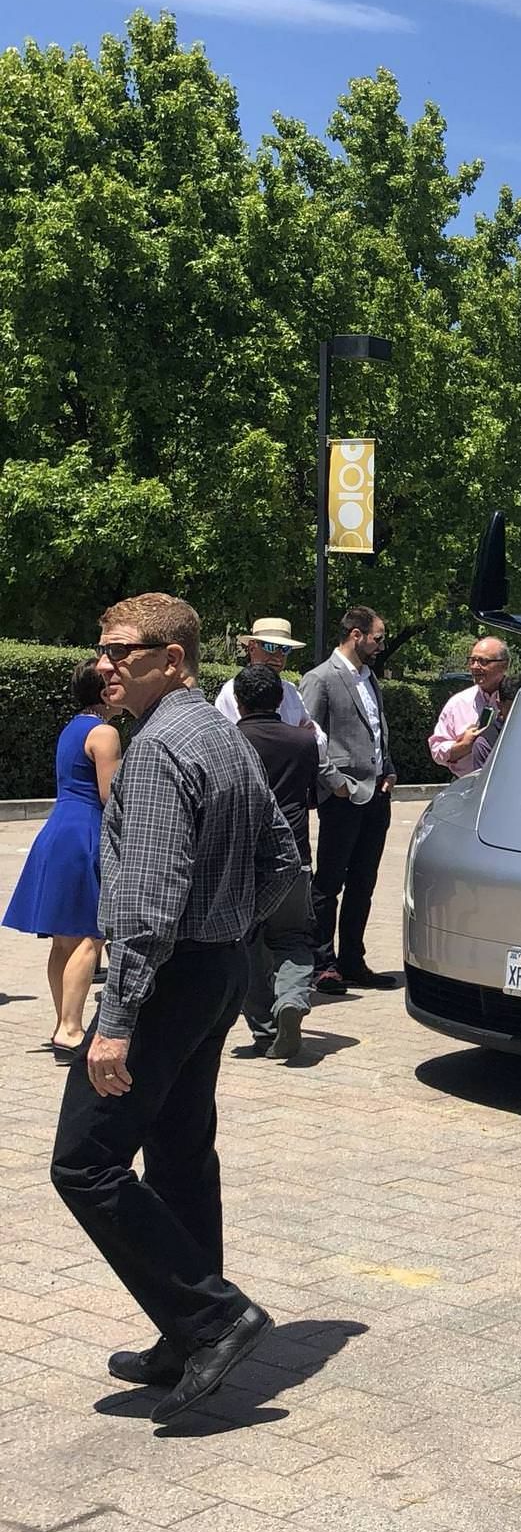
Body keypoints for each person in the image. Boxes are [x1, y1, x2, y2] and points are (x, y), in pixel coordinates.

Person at [49, 594, 297, 1416]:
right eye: (103, 649)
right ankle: (189, 1328)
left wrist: (112, 1022)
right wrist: (231, 930)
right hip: (215, 970)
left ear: (175, 659)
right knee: (181, 1150)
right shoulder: (219, 736)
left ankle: (214, 1316)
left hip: (163, 980)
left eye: (124, 651)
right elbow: (285, 859)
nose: (106, 663)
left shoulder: (157, 751)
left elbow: (148, 905)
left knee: (85, 1161)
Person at [4, 663, 122, 1058]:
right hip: (86, 832)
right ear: (104, 693)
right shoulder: (104, 732)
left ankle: (62, 1022)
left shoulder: (73, 727)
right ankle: (71, 1028)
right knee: (91, 933)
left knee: (63, 938)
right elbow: (110, 796)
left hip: (59, 829)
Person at [232, 664, 330, 1061]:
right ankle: (290, 999)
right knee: (292, 938)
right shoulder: (304, 743)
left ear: (238, 702)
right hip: (293, 854)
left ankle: (265, 1029)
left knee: (245, 944)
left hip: (241, 859)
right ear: (279, 699)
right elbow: (311, 795)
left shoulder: (228, 740)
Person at [300, 606, 396, 993]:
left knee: (364, 882)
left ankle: (352, 959)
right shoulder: (321, 678)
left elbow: (375, 730)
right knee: (329, 883)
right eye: (377, 637)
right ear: (355, 635)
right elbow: (310, 736)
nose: (381, 644)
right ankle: (322, 964)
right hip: (342, 796)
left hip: (377, 794)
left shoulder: (370, 678)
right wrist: (333, 783)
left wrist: (389, 768)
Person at [213, 618, 315, 733]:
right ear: (252, 648)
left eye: (285, 649)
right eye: (271, 647)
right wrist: (299, 734)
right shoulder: (232, 691)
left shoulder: (291, 691)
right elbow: (241, 739)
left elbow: (319, 738)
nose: (278, 656)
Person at [429, 638, 512, 776]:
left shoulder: (519, 699)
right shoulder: (457, 703)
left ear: (504, 665)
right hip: (468, 787)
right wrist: (463, 746)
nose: (475, 666)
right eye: (472, 660)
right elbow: (437, 750)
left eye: (483, 661)